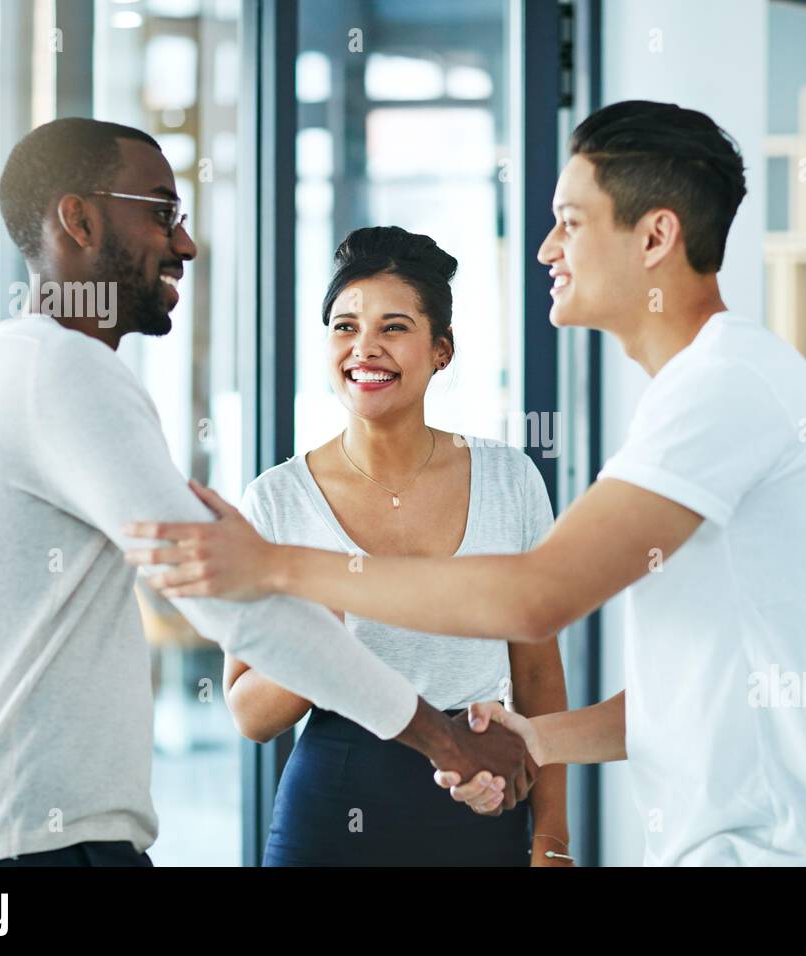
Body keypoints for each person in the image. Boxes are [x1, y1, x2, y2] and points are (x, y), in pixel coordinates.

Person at [124, 100, 806, 866]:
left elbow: (538, 598)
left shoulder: (721, 391)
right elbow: (699, 691)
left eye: (571, 220)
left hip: (777, 850)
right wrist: (538, 738)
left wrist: (280, 567)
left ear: (656, 236)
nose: (545, 249)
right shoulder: (701, 390)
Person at [0, 118, 533, 868]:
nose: (185, 244)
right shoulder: (71, 376)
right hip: (55, 857)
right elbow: (236, 606)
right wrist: (445, 742)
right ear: (78, 220)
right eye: (160, 213)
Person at [226, 225, 570, 866]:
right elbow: (249, 713)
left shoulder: (509, 477)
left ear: (441, 350)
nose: (364, 348)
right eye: (344, 326)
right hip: (332, 801)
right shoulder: (276, 500)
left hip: (483, 794)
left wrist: (552, 839)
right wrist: (319, 630)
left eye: (393, 327)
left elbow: (539, 673)